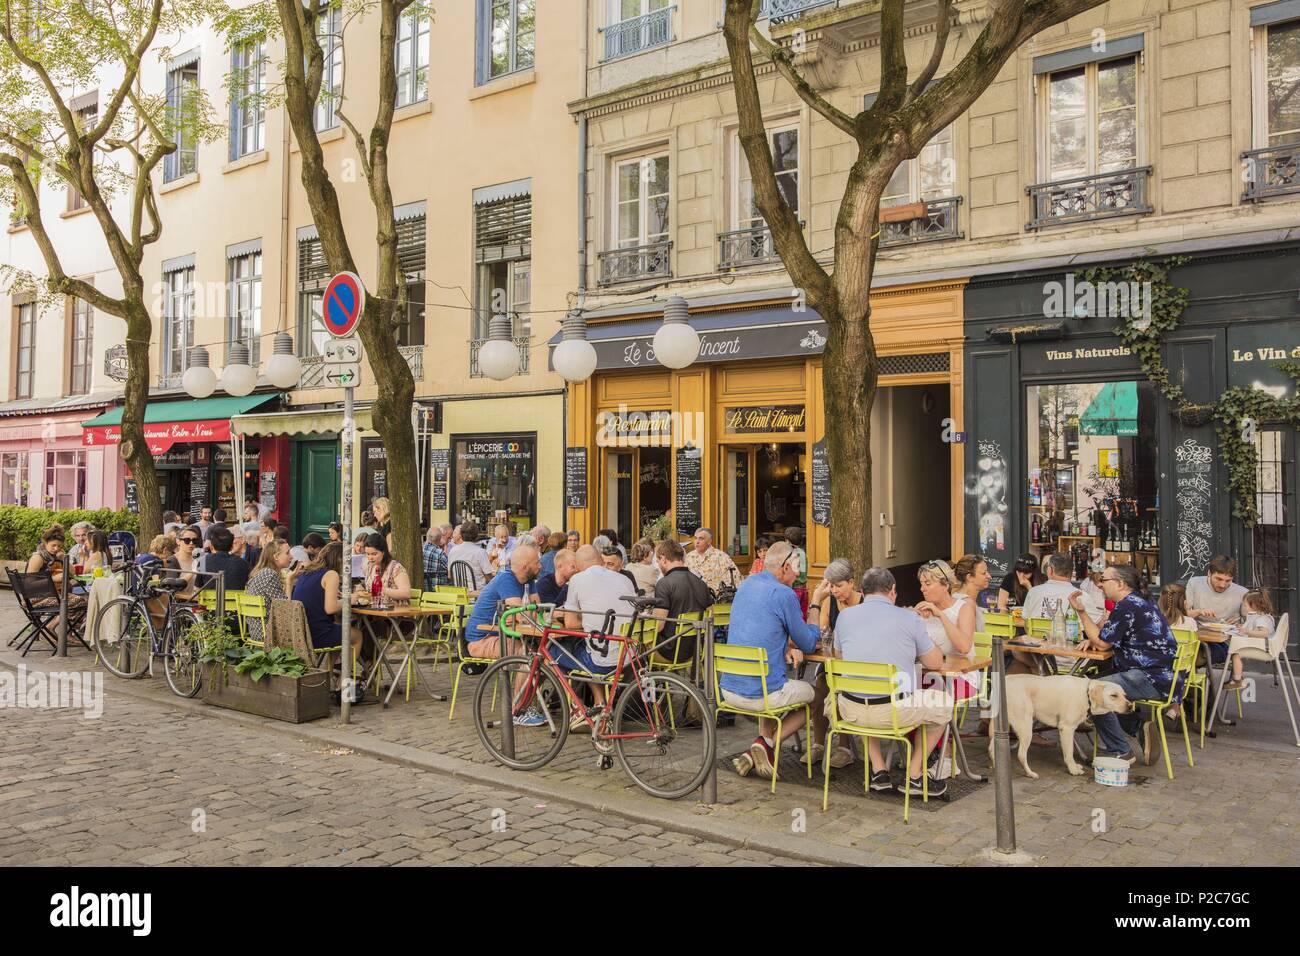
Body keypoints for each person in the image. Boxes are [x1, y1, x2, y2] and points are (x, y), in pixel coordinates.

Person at [827, 567, 953, 796]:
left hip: (850, 710)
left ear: (862, 592)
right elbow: (935, 662)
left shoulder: (844, 617)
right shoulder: (908, 618)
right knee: (943, 702)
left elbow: (839, 658)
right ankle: (914, 775)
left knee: (863, 690)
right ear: (893, 591)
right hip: (893, 712)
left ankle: (878, 770)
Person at [723, 541, 820, 781]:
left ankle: (756, 750)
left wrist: (784, 644)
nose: (798, 573)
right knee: (818, 697)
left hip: (728, 688)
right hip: (762, 693)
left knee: (772, 678)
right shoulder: (784, 594)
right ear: (785, 566)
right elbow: (808, 643)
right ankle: (765, 745)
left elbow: (762, 627)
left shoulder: (746, 586)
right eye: (796, 566)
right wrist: (817, 603)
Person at [1070, 564, 1178, 765]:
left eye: (1104, 580)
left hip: (1149, 677)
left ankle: (1121, 750)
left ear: (1120, 584)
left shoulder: (1127, 606)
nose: (1100, 585)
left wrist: (1082, 612)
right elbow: (1106, 638)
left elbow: (1102, 644)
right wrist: (1094, 638)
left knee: (1094, 692)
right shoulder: (1141, 600)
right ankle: (1137, 726)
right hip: (1162, 676)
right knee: (1093, 682)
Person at [558, 545, 636, 714]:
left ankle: (577, 707)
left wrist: (586, 620)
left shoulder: (578, 580)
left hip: (603, 662)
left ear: (578, 567)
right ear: (601, 561)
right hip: (629, 657)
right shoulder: (625, 579)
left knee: (553, 652)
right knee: (587, 646)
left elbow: (570, 623)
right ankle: (600, 704)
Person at [913, 559, 980, 702]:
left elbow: (964, 647)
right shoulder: (923, 609)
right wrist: (913, 618)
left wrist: (941, 615)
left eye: (928, 584)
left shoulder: (963, 608)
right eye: (921, 584)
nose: (922, 589)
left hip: (961, 677)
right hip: (930, 674)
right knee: (901, 690)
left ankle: (941, 724)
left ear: (945, 585)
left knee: (929, 697)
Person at [464, 543, 540, 663]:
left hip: (505, 635)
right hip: (482, 639)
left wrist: (533, 614)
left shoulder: (528, 580)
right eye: (537, 563)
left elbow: (538, 610)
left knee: (546, 653)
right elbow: (523, 616)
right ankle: (523, 682)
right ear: (525, 567)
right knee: (530, 654)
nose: (540, 566)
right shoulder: (506, 578)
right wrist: (530, 615)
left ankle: (530, 681)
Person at [292, 541, 363, 669]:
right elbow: (330, 608)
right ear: (340, 559)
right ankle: (343, 678)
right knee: (357, 635)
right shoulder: (331, 574)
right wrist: (349, 599)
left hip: (301, 632)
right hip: (318, 635)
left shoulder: (307, 572)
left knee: (338, 628)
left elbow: (316, 597)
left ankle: (330, 675)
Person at [650, 538, 713, 668]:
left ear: (663, 559)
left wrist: (647, 616)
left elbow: (659, 625)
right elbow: (710, 616)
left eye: (657, 561)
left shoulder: (664, 583)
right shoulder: (700, 582)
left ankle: (645, 686)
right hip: (695, 650)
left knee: (637, 643)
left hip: (670, 651)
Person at [1186, 554, 1248, 669]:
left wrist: (1240, 626)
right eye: (1218, 579)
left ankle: (1190, 683)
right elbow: (1184, 614)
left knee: (1192, 656)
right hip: (1196, 637)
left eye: (1228, 581)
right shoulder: (1194, 584)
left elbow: (1252, 624)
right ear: (1209, 573)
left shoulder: (1242, 593)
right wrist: (1199, 611)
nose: (1222, 585)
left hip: (1223, 643)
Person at [1023, 552, 1099, 623]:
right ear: (1071, 572)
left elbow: (1025, 620)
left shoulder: (1033, 592)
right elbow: (1098, 624)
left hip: (1035, 637)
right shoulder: (1082, 596)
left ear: (1050, 570)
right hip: (1070, 637)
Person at [245, 540, 294, 644]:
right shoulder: (270, 574)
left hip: (255, 630)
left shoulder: (261, 572)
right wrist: (289, 580)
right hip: (267, 632)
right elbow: (285, 608)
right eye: (287, 553)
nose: (292, 556)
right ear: (276, 556)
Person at [1227, 589, 1276, 689]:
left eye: (1245, 605)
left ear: (1254, 605)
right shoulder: (1257, 616)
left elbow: (1264, 633)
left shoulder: (1262, 618)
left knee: (1235, 653)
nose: (1244, 608)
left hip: (1263, 648)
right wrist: (1241, 627)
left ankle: (1237, 679)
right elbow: (1253, 628)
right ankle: (1237, 676)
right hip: (1260, 645)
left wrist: (1247, 632)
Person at [684, 527, 740, 594]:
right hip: (693, 598)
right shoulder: (689, 557)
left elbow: (735, 579)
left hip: (715, 599)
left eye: (701, 538)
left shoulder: (721, 557)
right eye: (695, 538)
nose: (697, 542)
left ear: (709, 541)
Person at [362, 532, 411, 606]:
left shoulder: (396, 568)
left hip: (395, 613)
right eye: (367, 554)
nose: (370, 557)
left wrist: (383, 590)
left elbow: (406, 593)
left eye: (374, 554)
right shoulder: (370, 567)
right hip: (375, 611)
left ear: (383, 552)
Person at [200, 526, 250, 591]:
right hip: (234, 600)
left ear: (212, 547)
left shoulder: (202, 561)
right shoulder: (243, 563)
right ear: (231, 546)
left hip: (209, 600)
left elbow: (198, 588)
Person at [447, 522, 494, 589]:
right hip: (477, 593)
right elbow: (489, 577)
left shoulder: (453, 550)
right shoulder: (480, 552)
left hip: (459, 593)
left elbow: (450, 576)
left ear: (461, 535)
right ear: (476, 535)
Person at [784, 527, 810, 615]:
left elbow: (796, 572)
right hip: (803, 588)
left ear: (788, 541)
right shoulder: (802, 553)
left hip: (794, 588)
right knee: (803, 613)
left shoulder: (794, 554)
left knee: (793, 614)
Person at [422, 526, 449, 591]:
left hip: (423, 589)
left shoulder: (420, 550)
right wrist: (445, 547)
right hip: (438, 591)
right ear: (440, 539)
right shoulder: (440, 554)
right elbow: (449, 572)